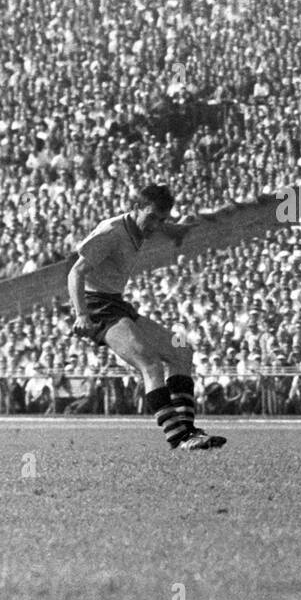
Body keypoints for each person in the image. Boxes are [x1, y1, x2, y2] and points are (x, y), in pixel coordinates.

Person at [68, 184, 226, 450]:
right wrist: (81, 314)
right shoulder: (111, 232)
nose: (155, 225)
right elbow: (75, 272)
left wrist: (174, 228)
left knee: (182, 352)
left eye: (161, 219)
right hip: (98, 307)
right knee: (150, 364)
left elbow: (158, 225)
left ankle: (189, 431)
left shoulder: (143, 226)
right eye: (152, 217)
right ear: (135, 208)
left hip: (117, 303)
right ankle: (179, 438)